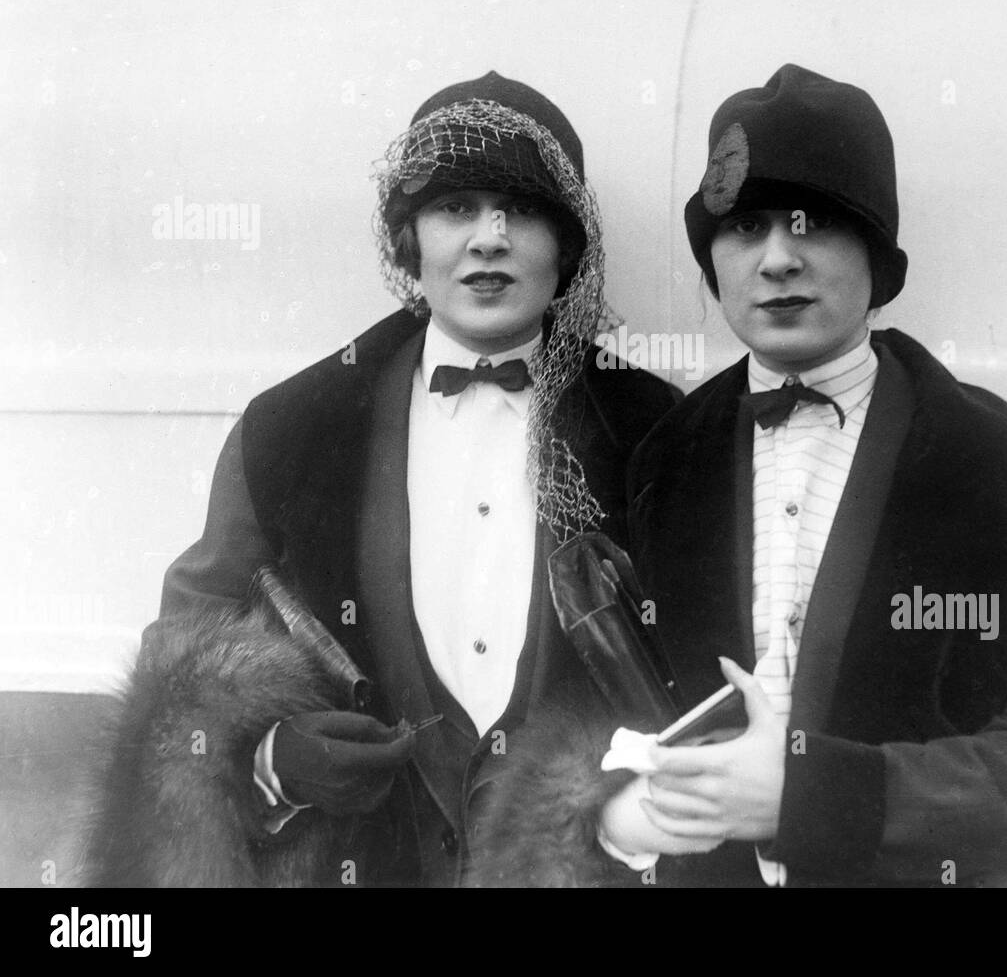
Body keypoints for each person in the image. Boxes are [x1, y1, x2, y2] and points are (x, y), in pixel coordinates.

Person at [469, 63, 1007, 888]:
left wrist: (813, 794)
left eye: (812, 222)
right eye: (746, 228)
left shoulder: (988, 459)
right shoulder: (664, 458)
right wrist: (608, 812)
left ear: (878, 255)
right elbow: (594, 706)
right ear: (713, 262)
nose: (778, 258)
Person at [82, 72, 681, 887]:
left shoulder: (652, 432)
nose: (490, 239)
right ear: (409, 239)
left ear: (568, 246)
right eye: (455, 208)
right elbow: (180, 690)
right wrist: (267, 760)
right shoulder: (292, 430)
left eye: (525, 210)